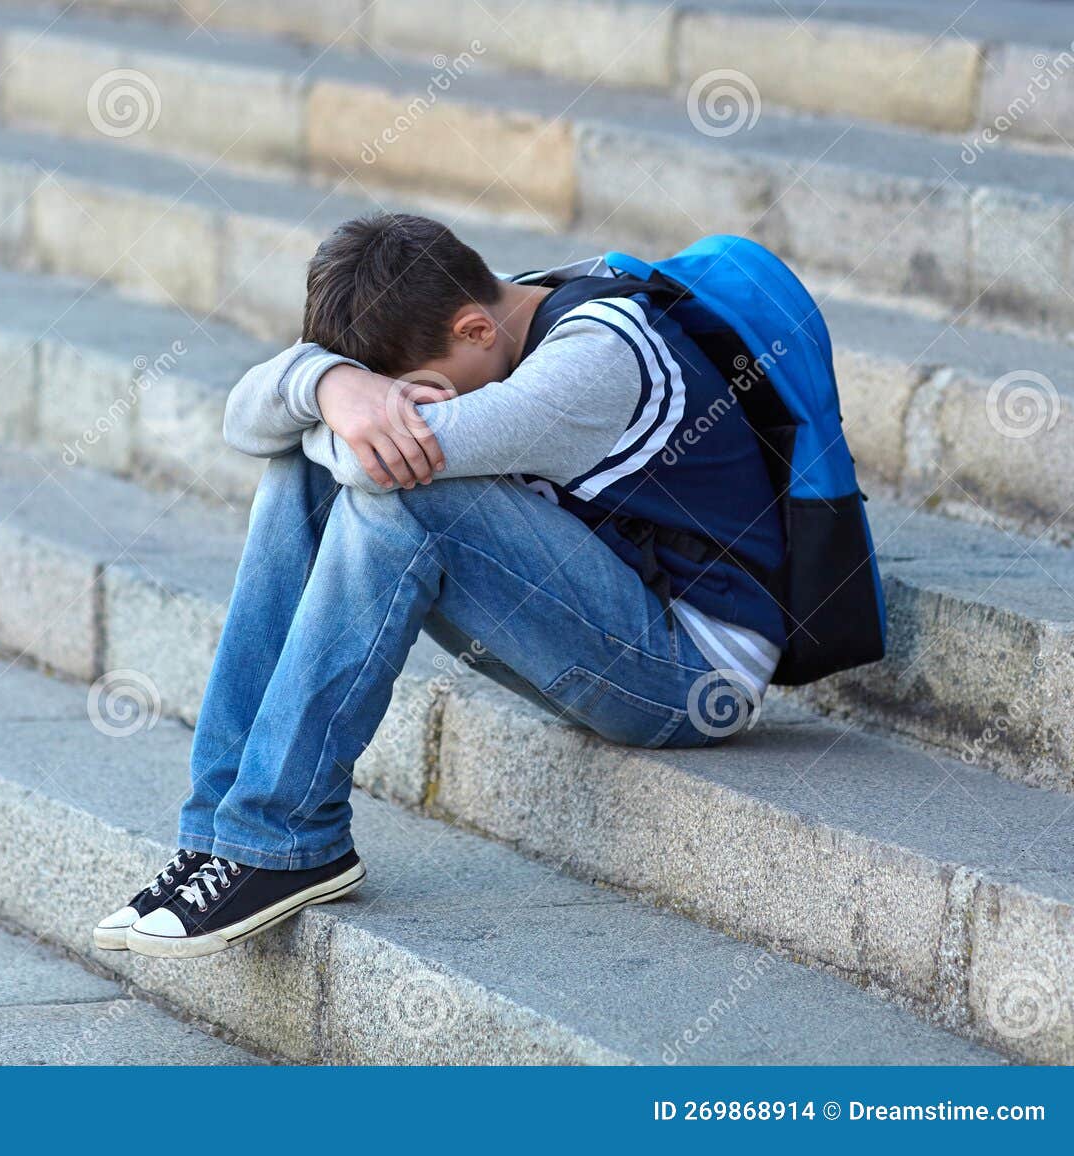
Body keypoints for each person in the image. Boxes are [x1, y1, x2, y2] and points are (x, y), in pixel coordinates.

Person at [95, 212, 785, 958]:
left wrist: (338, 404)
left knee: (401, 488)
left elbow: (369, 465)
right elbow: (246, 419)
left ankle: (286, 836)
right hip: (601, 614)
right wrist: (329, 380)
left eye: (416, 393)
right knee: (302, 464)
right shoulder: (488, 313)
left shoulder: (594, 362)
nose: (406, 407)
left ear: (475, 331)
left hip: (688, 673)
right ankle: (219, 835)